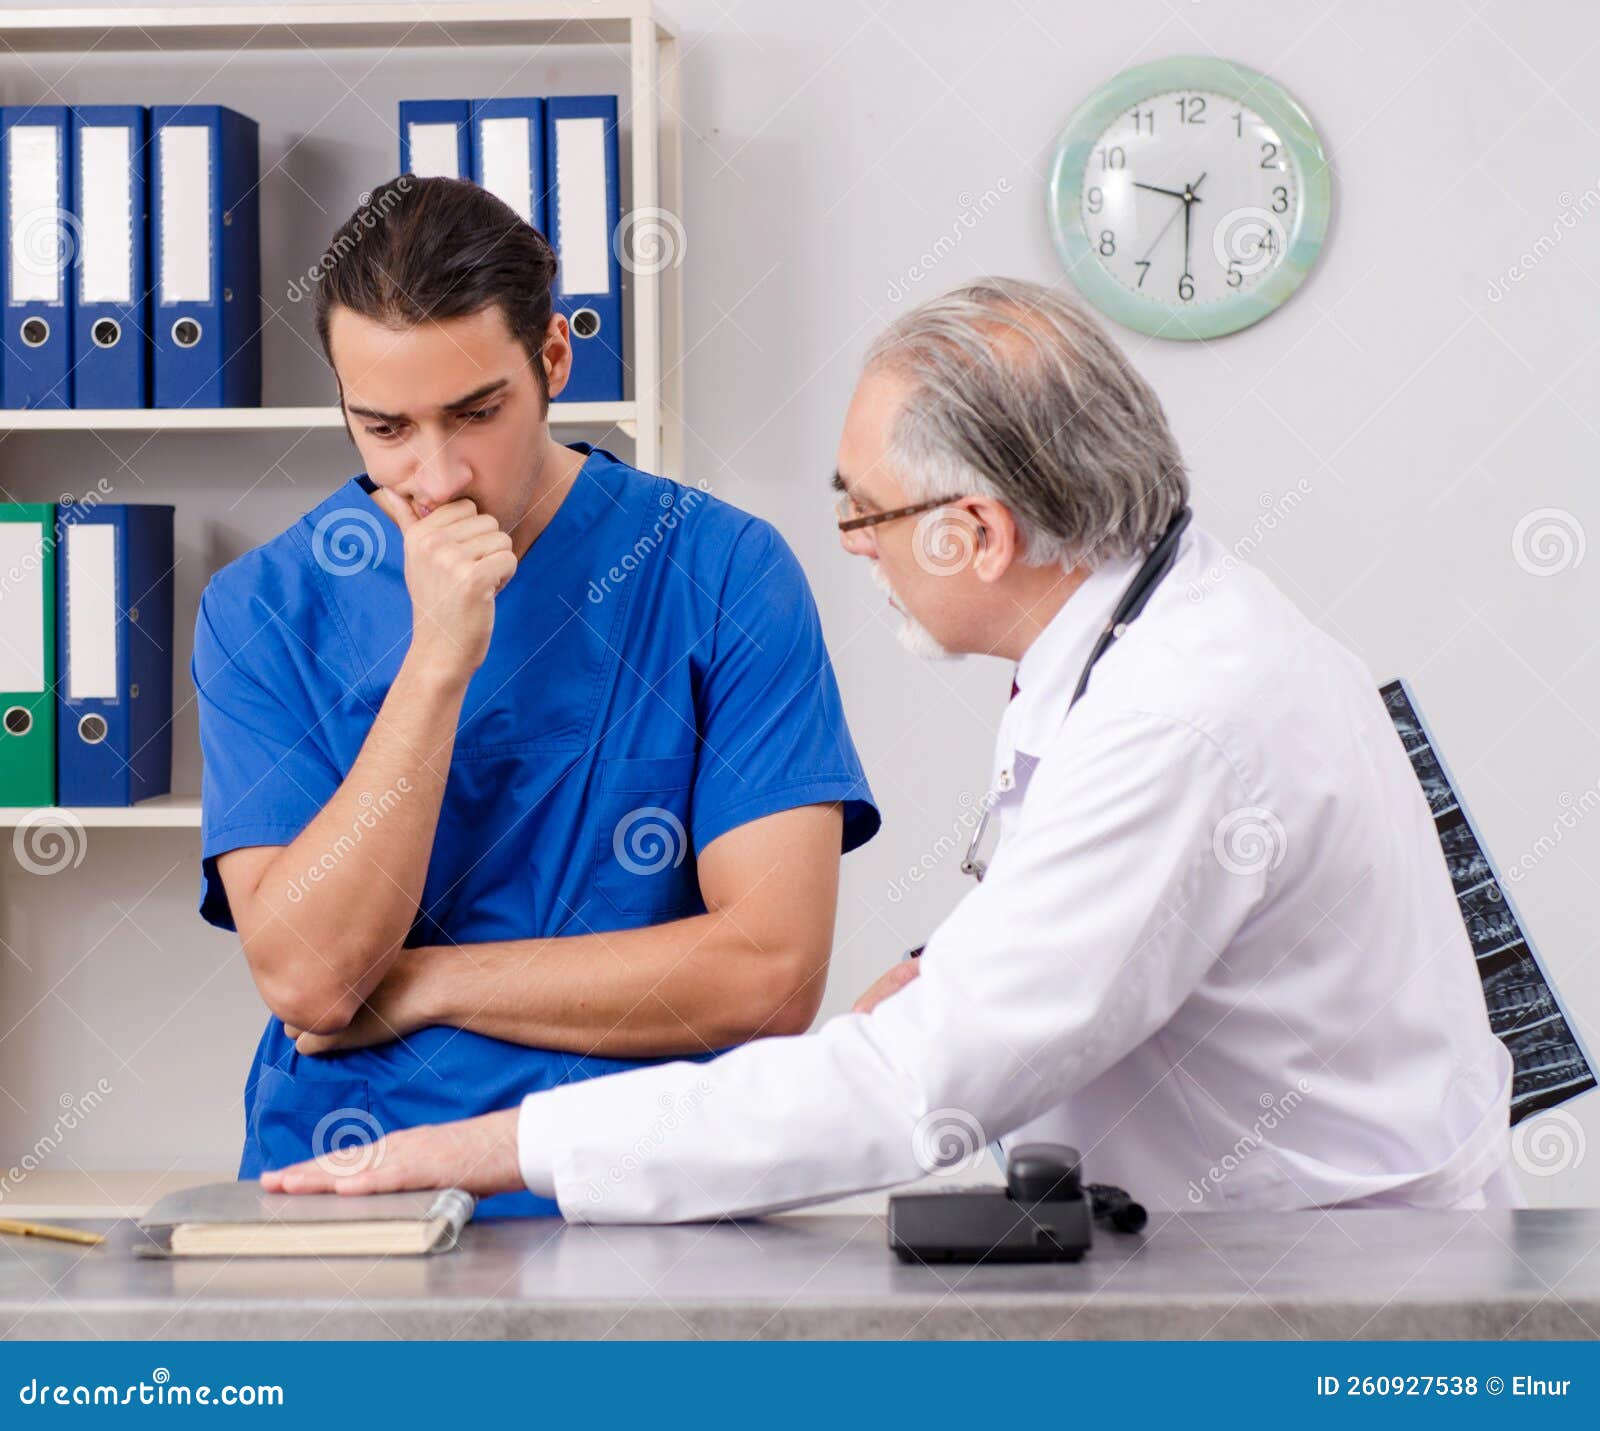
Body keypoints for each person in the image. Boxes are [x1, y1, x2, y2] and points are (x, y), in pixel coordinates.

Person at [263, 278, 1519, 1219]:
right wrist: (952, 968)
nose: (851, 542)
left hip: (1328, 1281)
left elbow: (916, 1092)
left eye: (866, 507)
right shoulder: (1160, 633)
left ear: (975, 531)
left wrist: (486, 1146)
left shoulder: (1176, 712)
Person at [193, 176, 878, 1216]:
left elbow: (770, 976)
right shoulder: (265, 610)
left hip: (641, 1190)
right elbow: (315, 985)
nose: (438, 477)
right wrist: (435, 666)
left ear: (552, 358)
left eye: (476, 414)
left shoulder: (721, 571)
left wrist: (429, 984)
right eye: (385, 429)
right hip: (349, 1192)